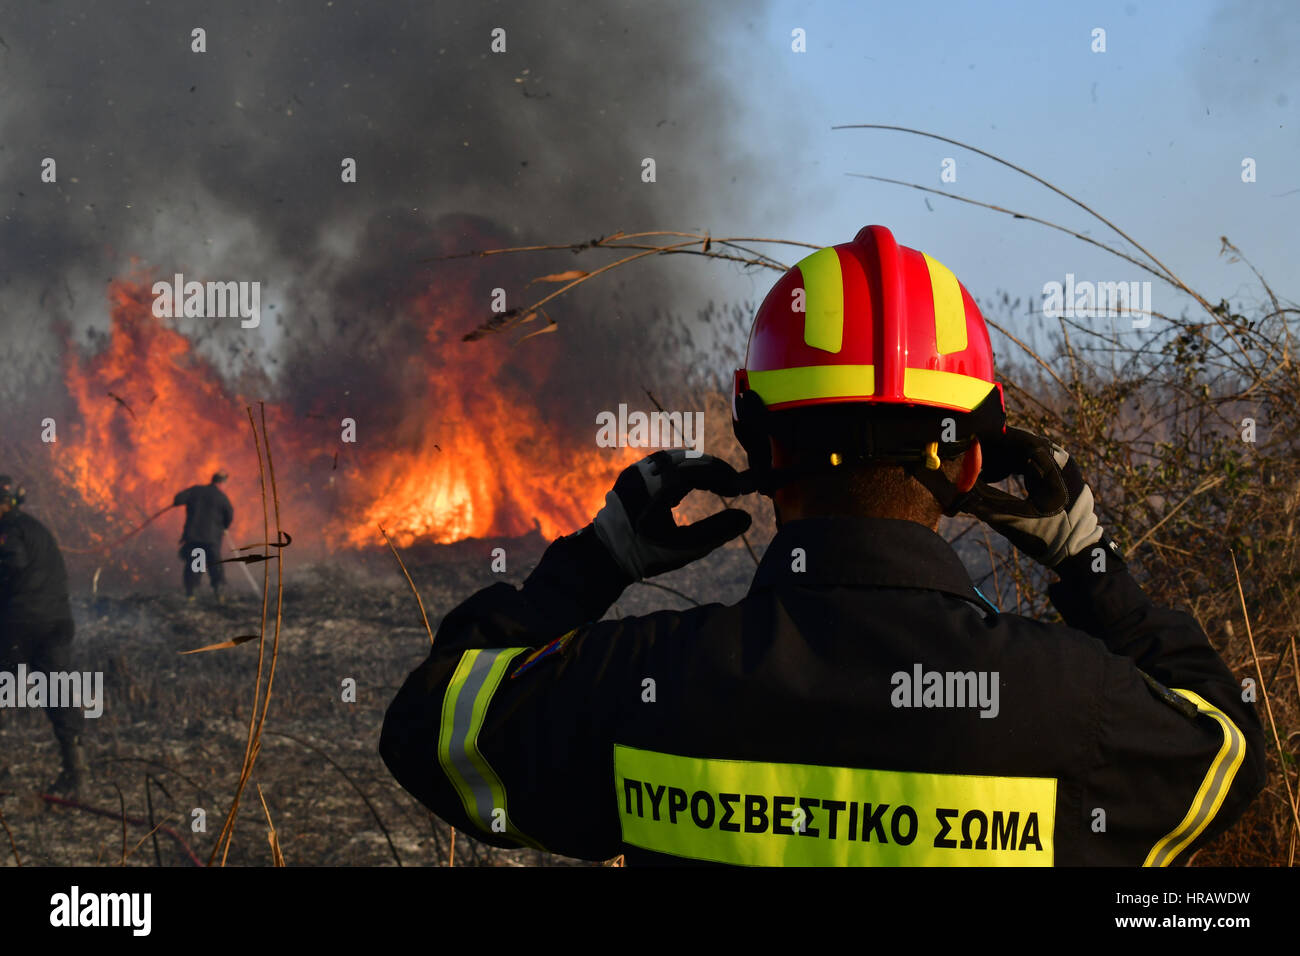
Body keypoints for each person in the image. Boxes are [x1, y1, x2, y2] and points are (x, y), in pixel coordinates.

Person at [380, 225, 1265, 866]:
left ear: (762, 453)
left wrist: (595, 562)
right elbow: (1228, 751)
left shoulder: (642, 682)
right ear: (971, 466)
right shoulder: (1073, 704)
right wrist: (1090, 564)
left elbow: (432, 721)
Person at [0, 474, 88, 794]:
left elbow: (13, 564)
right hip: (55, 623)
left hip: (21, 624)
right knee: (57, 692)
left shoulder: (8, 531)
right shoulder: (37, 528)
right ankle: (75, 771)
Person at [173, 472, 234, 601]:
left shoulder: (196, 491)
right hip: (212, 540)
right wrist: (224, 527)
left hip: (195, 538)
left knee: (196, 565)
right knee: (215, 565)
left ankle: (192, 594)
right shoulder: (221, 497)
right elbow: (229, 515)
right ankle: (219, 594)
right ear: (221, 483)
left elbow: (178, 499)